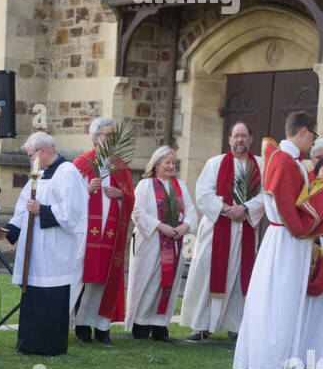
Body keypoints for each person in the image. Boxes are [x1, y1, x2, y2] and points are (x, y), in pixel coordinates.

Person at [234, 111, 321, 369]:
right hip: (286, 241)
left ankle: (278, 364)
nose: (313, 142)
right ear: (304, 131)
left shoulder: (286, 159)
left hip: (285, 241)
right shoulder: (285, 162)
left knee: (285, 304)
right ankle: (268, 368)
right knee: (278, 305)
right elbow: (292, 214)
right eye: (314, 135)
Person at [179, 123, 265, 343]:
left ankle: (235, 326)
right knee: (206, 274)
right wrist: (228, 209)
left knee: (239, 278)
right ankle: (201, 326)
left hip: (244, 229)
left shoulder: (261, 166)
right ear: (229, 139)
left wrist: (244, 208)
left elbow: (267, 196)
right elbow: (202, 193)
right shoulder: (215, 163)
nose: (240, 140)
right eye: (236, 136)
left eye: (244, 136)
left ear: (251, 139)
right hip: (217, 228)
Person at [5, 130, 88, 355]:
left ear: (42, 151)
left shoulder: (67, 172)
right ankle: (30, 342)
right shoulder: (38, 175)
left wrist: (42, 210)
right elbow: (24, 206)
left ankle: (49, 345)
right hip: (35, 251)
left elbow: (75, 211)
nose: (30, 160)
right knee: (32, 292)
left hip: (55, 249)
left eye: (31, 155)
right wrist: (9, 230)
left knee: (51, 295)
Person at [72, 116, 134, 345]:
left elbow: (131, 197)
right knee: (86, 278)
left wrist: (122, 195)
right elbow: (67, 198)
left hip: (111, 235)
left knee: (106, 279)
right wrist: (87, 189)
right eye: (109, 135)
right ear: (96, 138)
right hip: (86, 234)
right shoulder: (82, 163)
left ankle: (102, 327)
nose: (113, 139)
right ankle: (82, 326)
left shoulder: (121, 166)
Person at [126, 146, 197, 342]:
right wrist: (160, 226)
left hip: (174, 243)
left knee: (168, 283)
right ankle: (141, 324)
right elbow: (137, 212)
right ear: (156, 164)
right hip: (150, 244)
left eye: (173, 163)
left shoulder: (180, 186)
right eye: (167, 162)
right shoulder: (145, 186)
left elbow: (191, 211)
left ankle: (159, 325)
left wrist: (185, 227)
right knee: (148, 282)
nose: (171, 166)